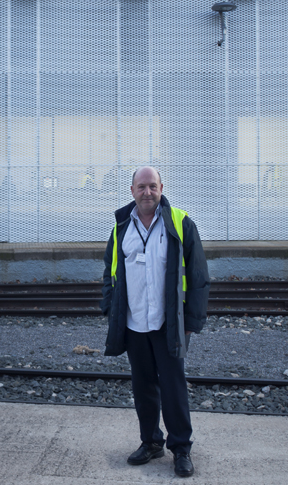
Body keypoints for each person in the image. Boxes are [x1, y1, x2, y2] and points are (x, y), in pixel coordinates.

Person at [101, 166, 210, 479]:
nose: (147, 192)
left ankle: (181, 450)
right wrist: (111, 309)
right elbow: (110, 270)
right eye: (141, 187)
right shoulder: (121, 226)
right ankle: (151, 442)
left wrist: (191, 321)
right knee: (143, 385)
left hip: (168, 323)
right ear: (131, 190)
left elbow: (199, 276)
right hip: (134, 323)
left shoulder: (180, 223)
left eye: (152, 186)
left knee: (174, 387)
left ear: (162, 187)